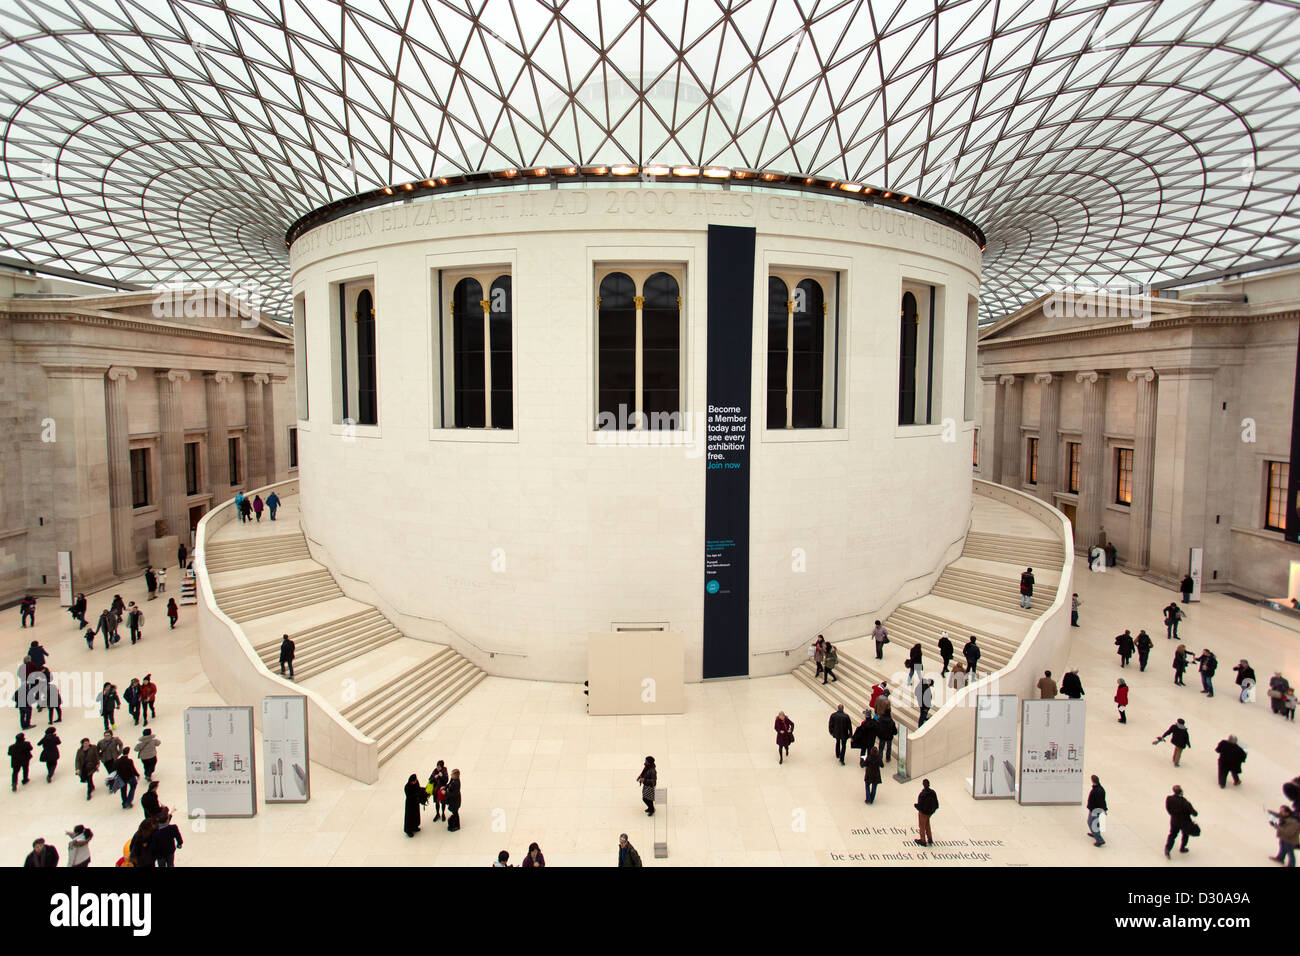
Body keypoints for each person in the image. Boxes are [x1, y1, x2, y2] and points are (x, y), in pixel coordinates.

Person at [1164, 784, 1198, 857]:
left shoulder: (1169, 799)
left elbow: (1168, 808)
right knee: (1185, 834)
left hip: (1174, 820)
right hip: (1185, 822)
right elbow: (1194, 813)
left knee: (1172, 835)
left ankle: (1167, 849)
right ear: (1181, 791)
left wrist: (1173, 814)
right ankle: (1182, 848)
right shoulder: (1185, 802)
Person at [914, 779, 939, 846]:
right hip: (929, 812)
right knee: (927, 825)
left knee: (922, 826)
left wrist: (916, 806)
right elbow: (936, 803)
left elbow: (920, 804)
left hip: (923, 812)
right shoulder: (933, 792)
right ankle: (930, 839)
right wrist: (932, 811)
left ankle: (923, 840)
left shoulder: (923, 794)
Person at [1086, 775, 1107, 847]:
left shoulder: (1096, 790)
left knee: (1092, 823)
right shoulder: (1100, 789)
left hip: (1095, 810)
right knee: (1093, 823)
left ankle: (1099, 840)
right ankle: (1095, 834)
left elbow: (1100, 802)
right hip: (1094, 809)